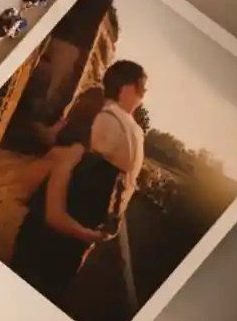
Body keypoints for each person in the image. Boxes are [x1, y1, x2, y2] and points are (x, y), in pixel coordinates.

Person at [10, 60, 147, 302]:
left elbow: (49, 209)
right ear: (127, 88)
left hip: (49, 238)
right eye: (142, 87)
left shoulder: (100, 130)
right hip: (72, 241)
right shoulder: (133, 132)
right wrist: (90, 237)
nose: (144, 92)